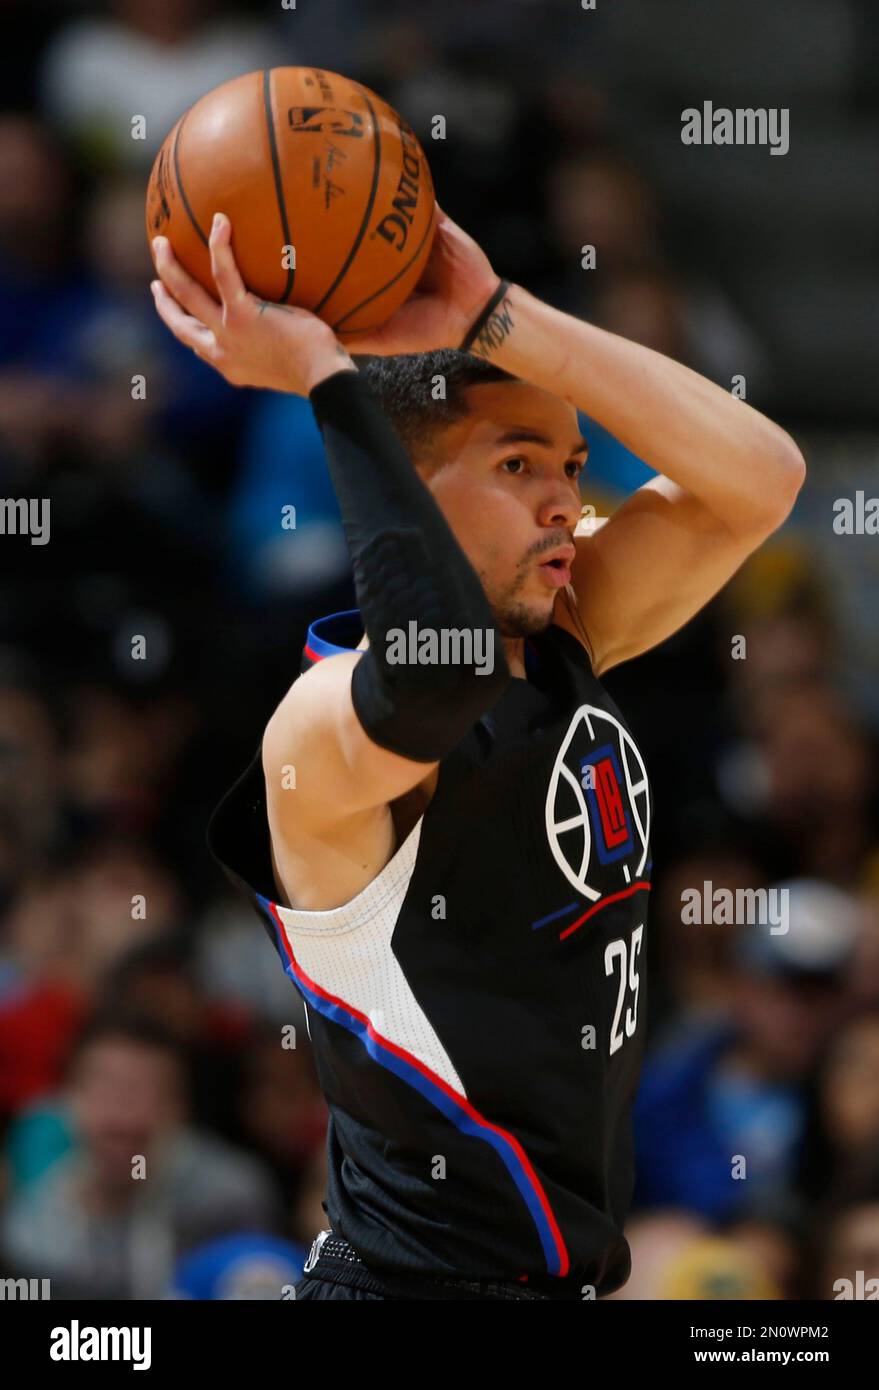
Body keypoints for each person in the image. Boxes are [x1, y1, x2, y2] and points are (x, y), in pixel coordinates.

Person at [149, 203, 804, 1300]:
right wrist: (328, 380)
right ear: (405, 489)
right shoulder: (319, 724)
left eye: (575, 463)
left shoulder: (565, 634)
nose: (567, 499)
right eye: (518, 464)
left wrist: (501, 319)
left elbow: (763, 476)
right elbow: (433, 680)